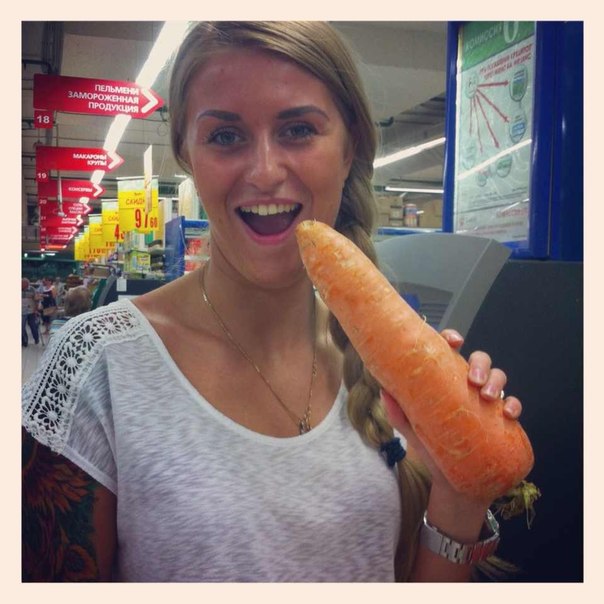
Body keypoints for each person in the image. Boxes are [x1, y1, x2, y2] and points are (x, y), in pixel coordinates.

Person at [22, 21, 524, 582]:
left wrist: (458, 495)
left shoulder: (395, 368)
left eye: (299, 130)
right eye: (225, 136)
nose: (264, 172)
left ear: (349, 149)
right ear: (186, 154)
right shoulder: (95, 367)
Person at [21, 278, 40, 347]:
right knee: (22, 327)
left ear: (27, 284)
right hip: (22, 311)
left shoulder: (32, 289)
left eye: (22, 284)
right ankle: (24, 341)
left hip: (31, 311)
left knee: (33, 326)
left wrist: (36, 309)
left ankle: (36, 338)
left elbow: (37, 300)